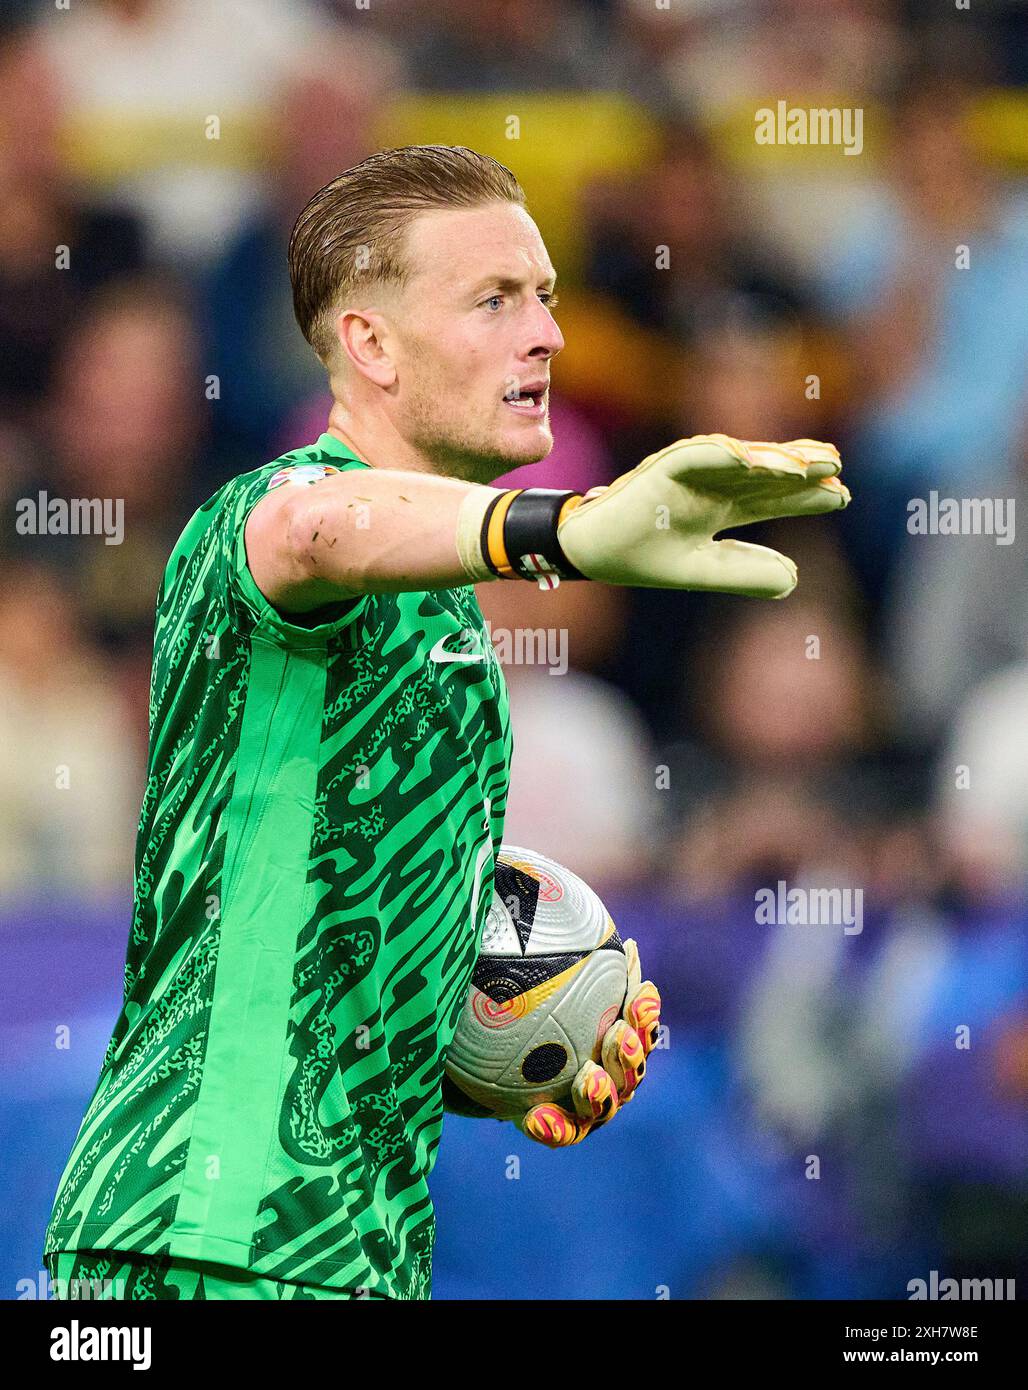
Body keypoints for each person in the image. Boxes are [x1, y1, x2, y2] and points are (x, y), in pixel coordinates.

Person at [43, 144, 848, 1301]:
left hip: (353, 1254)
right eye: (494, 300)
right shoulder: (265, 514)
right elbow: (318, 529)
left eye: (547, 298)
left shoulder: (450, 607)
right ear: (368, 343)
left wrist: (511, 1038)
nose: (548, 337)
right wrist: (562, 528)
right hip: (197, 1236)